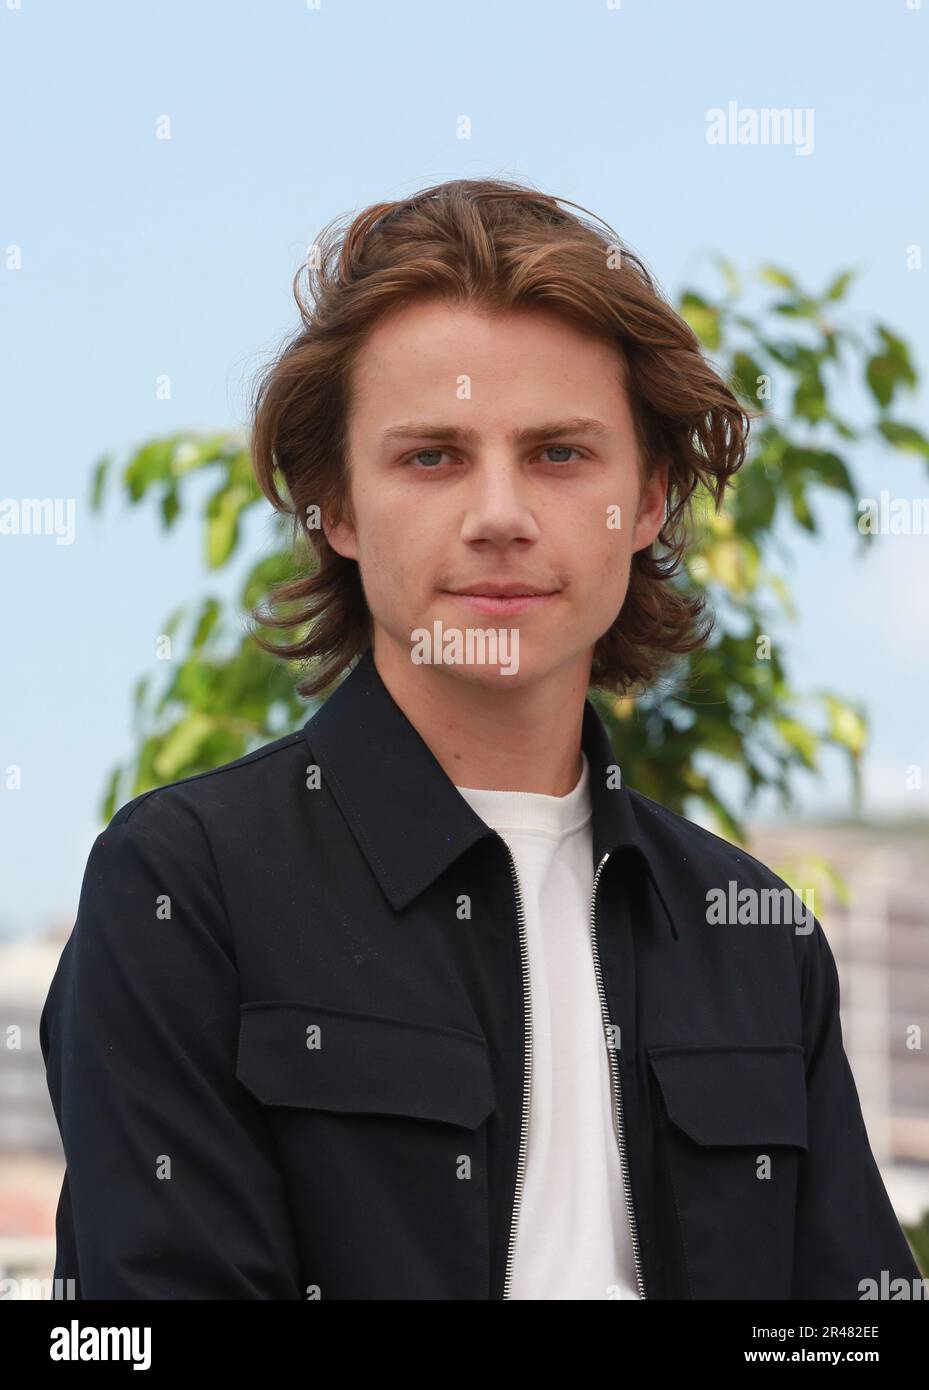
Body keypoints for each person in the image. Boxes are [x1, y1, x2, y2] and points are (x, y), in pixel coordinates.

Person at [40, 177, 922, 1300]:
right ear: (337, 508)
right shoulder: (183, 886)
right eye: (432, 456)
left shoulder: (750, 933)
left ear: (647, 500)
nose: (499, 513)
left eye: (559, 454)